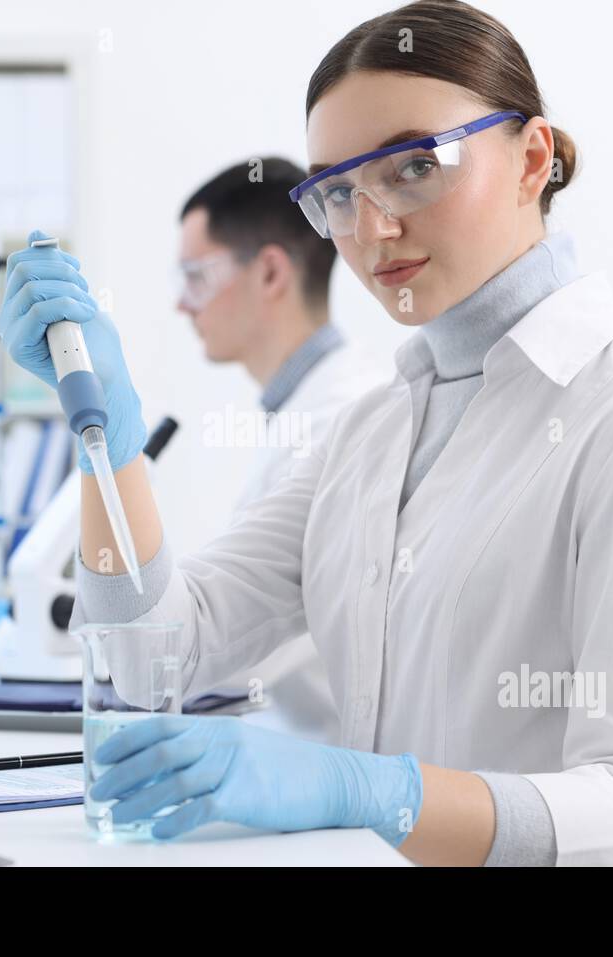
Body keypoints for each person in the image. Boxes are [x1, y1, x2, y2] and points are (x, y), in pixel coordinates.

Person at [0, 0, 613, 866]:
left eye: (415, 169)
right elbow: (152, 655)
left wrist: (377, 791)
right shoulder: (372, 431)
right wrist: (109, 444)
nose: (371, 228)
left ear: (531, 158)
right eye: (339, 193)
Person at [175, 158, 390, 743]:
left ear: (270, 273)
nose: (182, 305)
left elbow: (232, 646)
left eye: (195, 278)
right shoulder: (311, 406)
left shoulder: (341, 415)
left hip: (338, 779)